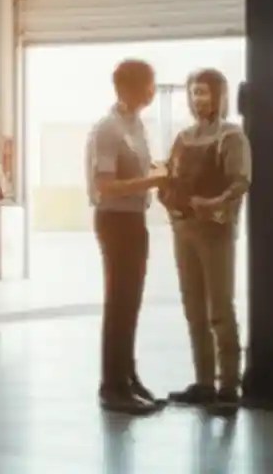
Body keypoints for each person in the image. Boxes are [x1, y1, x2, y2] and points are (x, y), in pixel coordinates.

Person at [159, 68, 250, 412]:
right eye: (195, 92)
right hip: (183, 230)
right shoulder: (183, 138)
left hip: (216, 231)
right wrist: (170, 202)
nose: (199, 99)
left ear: (220, 95)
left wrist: (213, 205)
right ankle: (203, 382)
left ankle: (229, 384)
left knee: (220, 308)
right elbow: (169, 177)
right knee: (193, 308)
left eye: (205, 92)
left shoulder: (232, 136)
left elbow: (239, 182)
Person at [85, 59, 170, 414]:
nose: (153, 91)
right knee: (119, 303)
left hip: (135, 220)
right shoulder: (109, 129)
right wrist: (154, 181)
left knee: (130, 303)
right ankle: (112, 387)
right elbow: (105, 187)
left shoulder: (135, 125)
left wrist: (164, 170)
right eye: (149, 85)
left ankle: (128, 377)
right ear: (131, 89)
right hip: (115, 221)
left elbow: (142, 167)